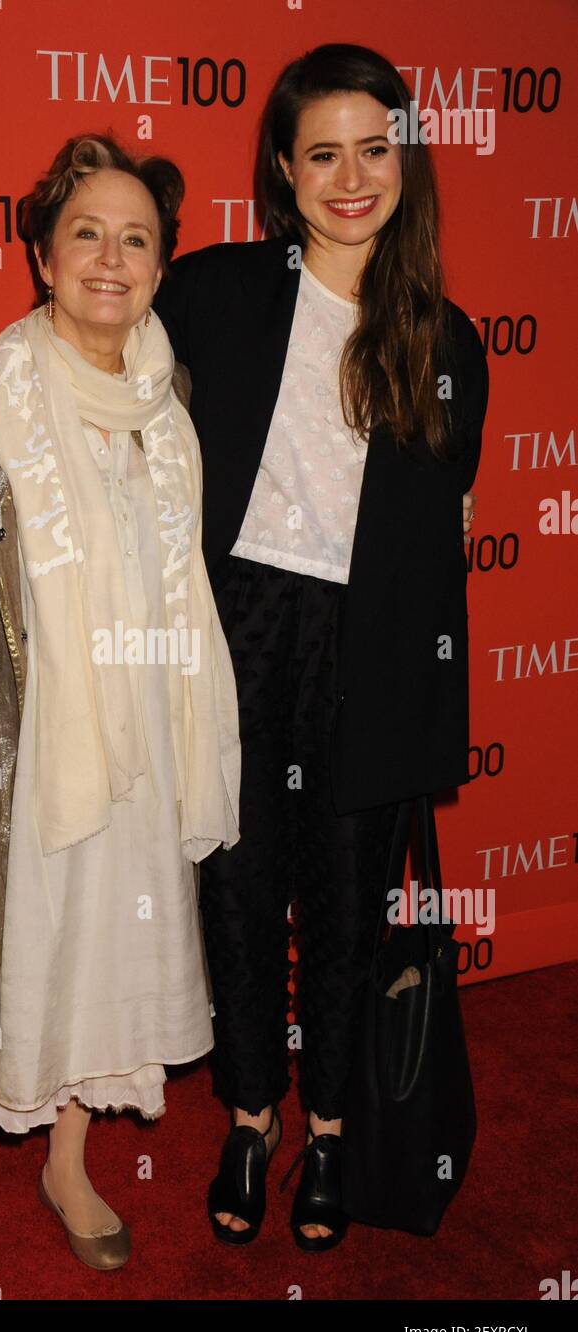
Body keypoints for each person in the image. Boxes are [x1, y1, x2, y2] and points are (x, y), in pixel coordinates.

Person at [152, 42, 489, 1251]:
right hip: (238, 617)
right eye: (323, 153)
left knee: (348, 901)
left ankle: (333, 1130)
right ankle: (250, 1113)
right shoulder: (215, 291)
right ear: (284, 171)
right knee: (236, 890)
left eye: (374, 148)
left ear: (406, 158)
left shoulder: (446, 342)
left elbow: (439, 536)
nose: (353, 177)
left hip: (370, 641)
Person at [0, 134, 240, 1271]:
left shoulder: (171, 397)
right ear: (42, 256)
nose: (110, 257)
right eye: (85, 232)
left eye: (136, 238)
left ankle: (65, 1154)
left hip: (138, 730)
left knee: (100, 949)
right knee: (21, 937)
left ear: (158, 265)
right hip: (26, 738)